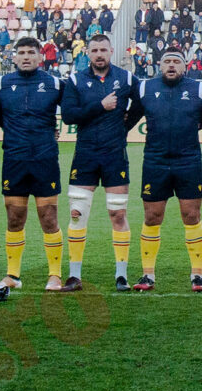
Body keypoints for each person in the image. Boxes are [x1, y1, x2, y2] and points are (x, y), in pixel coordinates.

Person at [58, 33, 141, 292]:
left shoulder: (126, 78)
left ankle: (121, 275)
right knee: (77, 214)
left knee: (118, 214)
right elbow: (69, 116)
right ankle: (74, 275)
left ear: (111, 50)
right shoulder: (76, 80)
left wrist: (125, 125)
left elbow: (141, 103)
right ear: (88, 53)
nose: (99, 54)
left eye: (103, 50)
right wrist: (100, 106)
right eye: (94, 50)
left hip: (115, 154)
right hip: (85, 155)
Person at [133, 49, 202, 291]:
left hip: (188, 160)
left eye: (176, 62)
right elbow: (127, 119)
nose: (171, 66)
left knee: (191, 215)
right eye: (167, 62)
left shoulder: (199, 89)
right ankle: (147, 274)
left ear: (186, 66)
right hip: (154, 160)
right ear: (159, 66)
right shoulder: (144, 88)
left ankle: (197, 274)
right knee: (152, 216)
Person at [0, 37, 65, 292]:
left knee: (49, 217)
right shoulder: (0, 84)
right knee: (14, 218)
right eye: (20, 52)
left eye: (30, 52)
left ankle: (55, 275)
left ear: (39, 56)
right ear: (13, 57)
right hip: (14, 158)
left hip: (44, 158)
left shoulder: (54, 83)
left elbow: (73, 112)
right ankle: (12, 274)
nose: (25, 57)